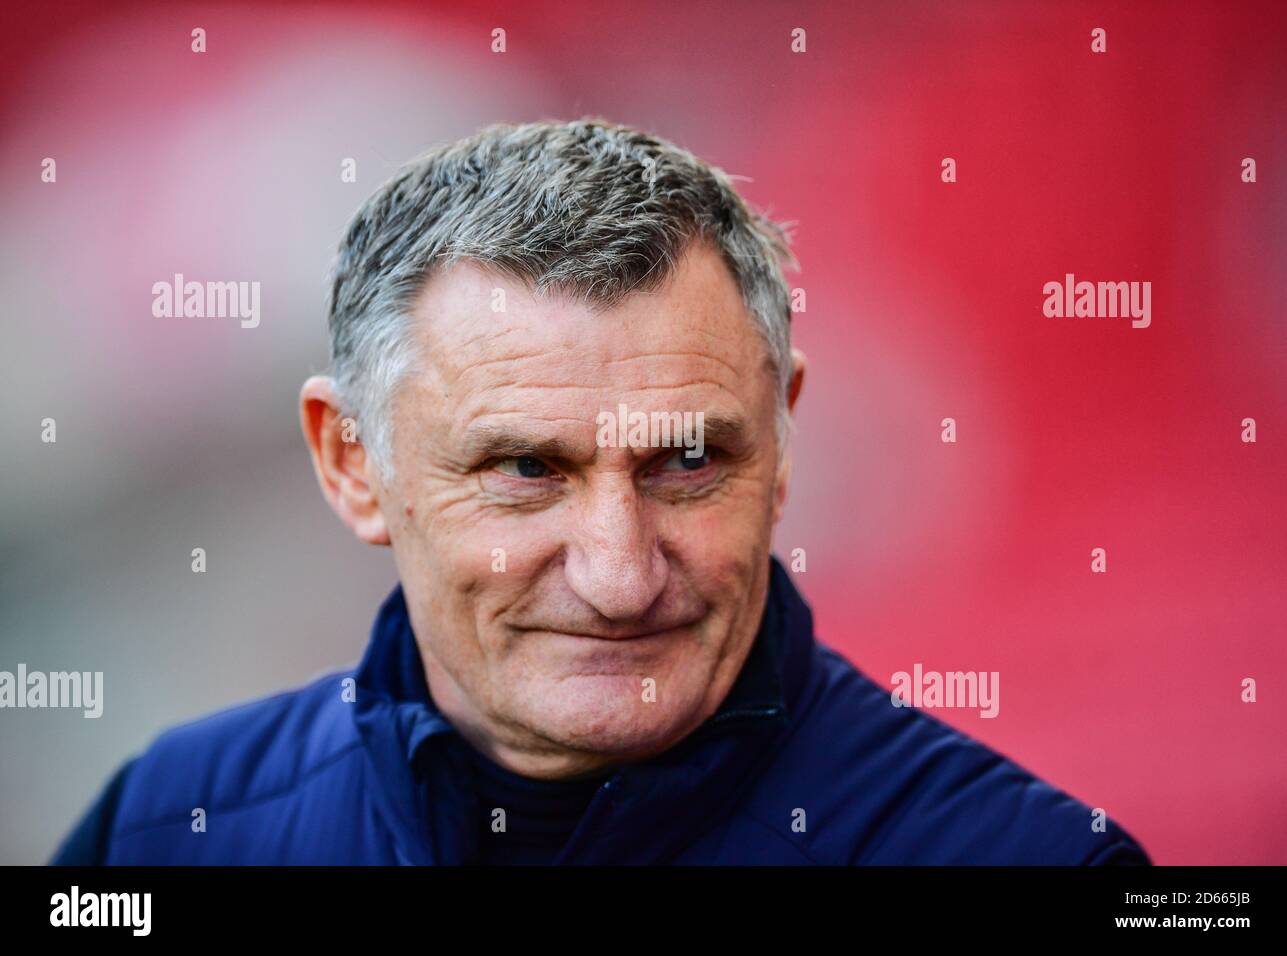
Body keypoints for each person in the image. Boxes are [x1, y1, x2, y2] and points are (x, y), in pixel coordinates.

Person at [52, 119, 1149, 865]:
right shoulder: (166, 828)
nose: (621, 577)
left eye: (686, 463)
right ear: (351, 462)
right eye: (527, 469)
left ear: (783, 438)